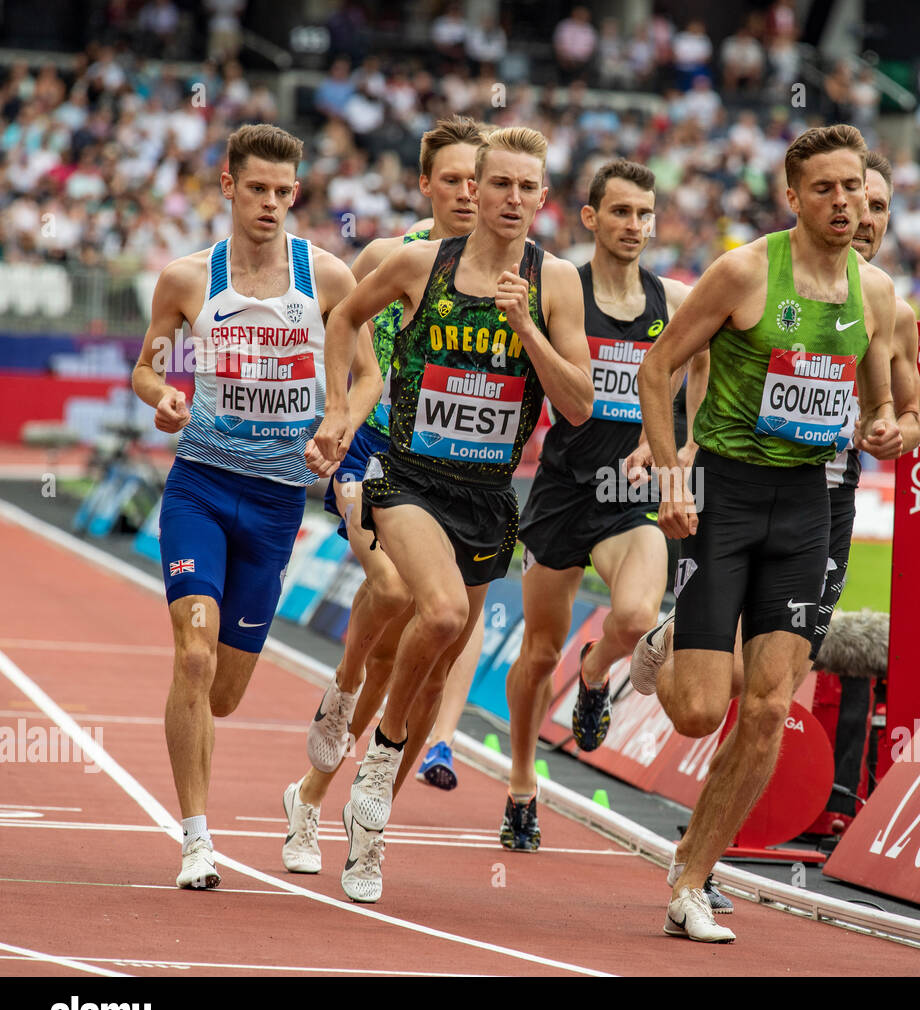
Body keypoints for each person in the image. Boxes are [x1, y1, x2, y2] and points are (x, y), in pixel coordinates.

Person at [633, 124, 900, 942]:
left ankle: (692, 876)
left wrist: (892, 424)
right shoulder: (747, 270)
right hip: (724, 495)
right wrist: (674, 478)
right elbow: (657, 367)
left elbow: (889, 401)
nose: (844, 202)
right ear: (793, 197)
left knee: (769, 707)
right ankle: (670, 636)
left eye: (853, 187)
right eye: (824, 188)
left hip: (806, 506)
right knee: (697, 712)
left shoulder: (877, 293)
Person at [312, 126, 593, 902]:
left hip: (490, 497)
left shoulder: (558, 282)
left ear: (543, 197)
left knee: (438, 668)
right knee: (432, 615)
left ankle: (369, 839)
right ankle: (380, 753)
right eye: (492, 182)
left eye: (522, 187)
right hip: (405, 478)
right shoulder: (416, 264)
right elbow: (343, 319)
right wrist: (340, 406)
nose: (505, 198)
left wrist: (528, 328)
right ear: (473, 187)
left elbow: (578, 405)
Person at [130, 123, 380, 890]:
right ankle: (196, 841)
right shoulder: (186, 279)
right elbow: (147, 368)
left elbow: (369, 377)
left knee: (227, 693)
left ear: (295, 194)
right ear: (229, 186)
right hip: (200, 486)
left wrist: (339, 422)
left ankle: (212, 801)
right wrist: (166, 396)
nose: (271, 203)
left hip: (275, 506)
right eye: (258, 189)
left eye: (284, 192)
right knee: (194, 654)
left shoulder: (329, 278)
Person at [281, 117, 487, 902]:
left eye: (482, 179)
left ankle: (340, 817)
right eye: (456, 179)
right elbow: (342, 327)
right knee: (398, 597)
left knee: (423, 657)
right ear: (427, 185)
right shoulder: (389, 257)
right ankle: (337, 700)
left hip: (455, 472)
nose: (470, 192)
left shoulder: (516, 272)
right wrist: (336, 410)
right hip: (373, 451)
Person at [501, 159, 705, 854]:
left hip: (633, 494)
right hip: (563, 487)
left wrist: (681, 446)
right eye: (620, 212)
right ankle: (523, 784)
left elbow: (708, 362)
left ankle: (593, 677)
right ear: (590, 217)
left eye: (645, 214)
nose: (634, 226)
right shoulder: (565, 290)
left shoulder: (674, 300)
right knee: (536, 651)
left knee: (636, 616)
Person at [811, 150, 920, 664]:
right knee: (724, 671)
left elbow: (911, 417)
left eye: (879, 205)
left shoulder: (896, 312)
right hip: (749, 484)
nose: (866, 215)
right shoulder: (768, 276)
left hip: (832, 494)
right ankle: (677, 630)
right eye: (857, 199)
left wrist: (893, 432)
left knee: (791, 663)